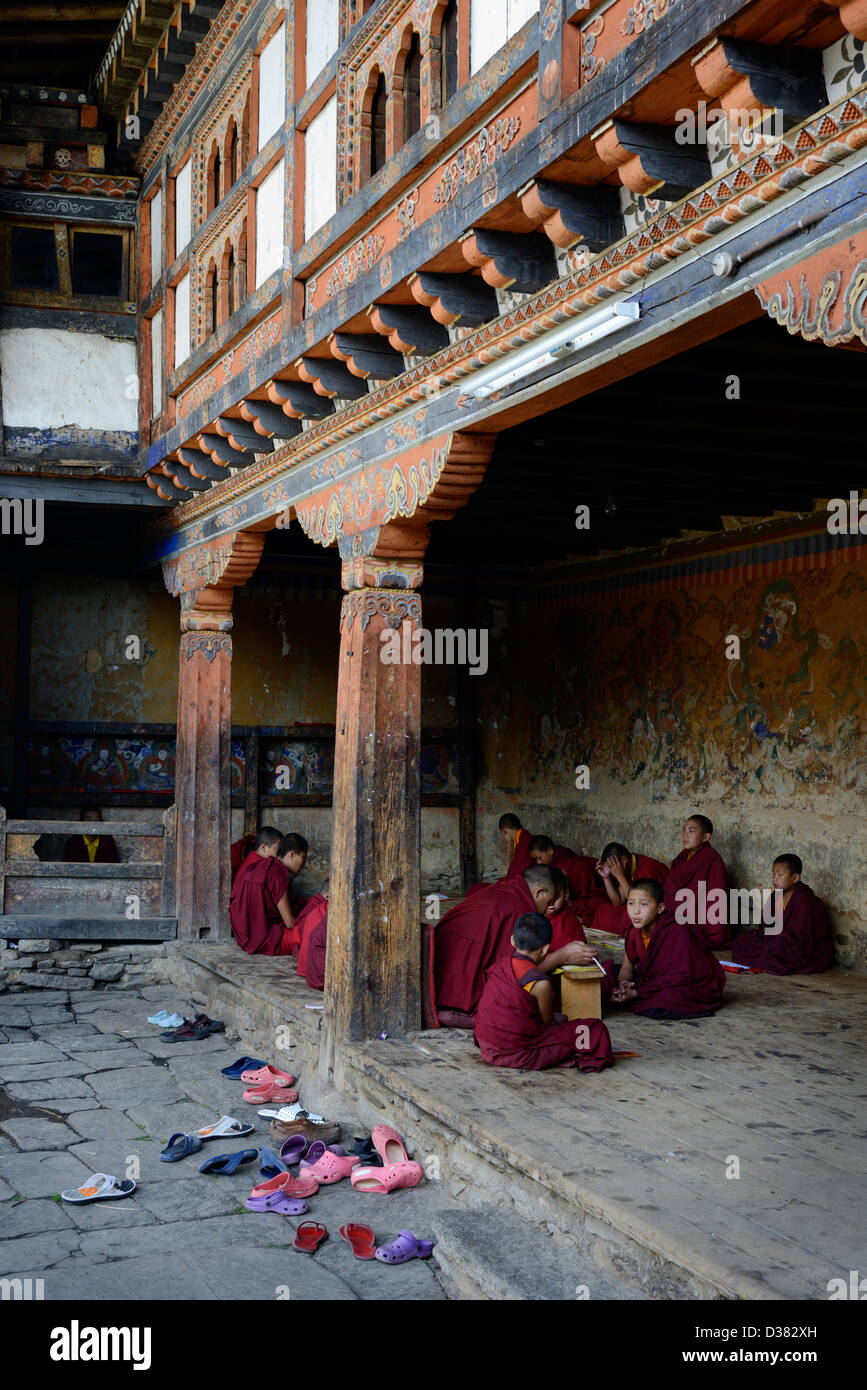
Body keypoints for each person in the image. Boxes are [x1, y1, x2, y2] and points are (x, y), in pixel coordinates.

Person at [434, 864, 596, 1017]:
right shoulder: (517, 910)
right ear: (539, 892)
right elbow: (514, 973)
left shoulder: (504, 890)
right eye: (550, 902)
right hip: (457, 991)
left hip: (437, 972)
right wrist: (563, 955)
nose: (550, 909)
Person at [474, 912, 613, 1071]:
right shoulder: (540, 983)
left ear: (512, 940)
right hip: (519, 1053)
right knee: (594, 1030)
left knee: (562, 1019)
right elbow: (549, 1025)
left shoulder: (502, 965)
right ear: (546, 949)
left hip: (487, 1043)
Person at [612, 878, 725, 1018]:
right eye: (630, 903)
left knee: (667, 998)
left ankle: (638, 997)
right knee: (606, 976)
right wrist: (623, 985)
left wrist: (637, 992)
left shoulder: (677, 929)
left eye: (643, 904)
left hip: (687, 983)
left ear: (660, 908)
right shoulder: (634, 932)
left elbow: (683, 976)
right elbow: (627, 967)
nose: (635, 911)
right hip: (653, 982)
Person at [732, 855, 834, 974]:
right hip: (776, 941)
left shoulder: (806, 900)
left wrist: (777, 939)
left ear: (795, 878)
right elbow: (765, 927)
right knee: (742, 941)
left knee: (774, 948)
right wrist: (768, 937)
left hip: (796, 947)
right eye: (773, 874)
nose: (775, 879)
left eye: (780, 875)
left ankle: (767, 957)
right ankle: (767, 957)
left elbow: (803, 939)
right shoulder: (775, 896)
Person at [664, 815, 730, 948]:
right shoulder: (683, 857)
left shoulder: (712, 860)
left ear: (706, 837)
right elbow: (671, 888)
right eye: (684, 830)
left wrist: (715, 931)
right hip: (678, 911)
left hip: (697, 919)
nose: (685, 835)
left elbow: (716, 896)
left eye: (692, 831)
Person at [230, 827, 298, 956]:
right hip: (261, 936)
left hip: (242, 933)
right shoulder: (271, 869)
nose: (279, 856)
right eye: (277, 851)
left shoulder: (248, 864)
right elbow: (289, 922)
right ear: (263, 848)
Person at [592, 841, 669, 936]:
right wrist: (606, 878)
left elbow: (641, 901)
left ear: (624, 860)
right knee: (603, 910)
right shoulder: (626, 868)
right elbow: (618, 901)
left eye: (612, 866)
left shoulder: (647, 868)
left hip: (653, 910)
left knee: (625, 920)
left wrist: (620, 876)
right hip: (638, 906)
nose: (612, 870)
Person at [528, 835, 605, 926]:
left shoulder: (568, 866)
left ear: (550, 851)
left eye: (539, 858)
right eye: (536, 859)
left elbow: (587, 896)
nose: (538, 862)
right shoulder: (555, 864)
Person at [296, 879, 329, 989]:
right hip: (318, 973)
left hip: (308, 969)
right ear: (327, 896)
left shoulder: (319, 908)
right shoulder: (327, 910)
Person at [278, 832, 309, 917]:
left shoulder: (275, 869)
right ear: (292, 854)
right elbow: (289, 922)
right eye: (303, 858)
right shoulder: (277, 874)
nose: (304, 863)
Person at [499, 813, 536, 879]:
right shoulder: (520, 839)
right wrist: (510, 843)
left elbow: (516, 874)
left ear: (503, 831)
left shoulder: (524, 840)